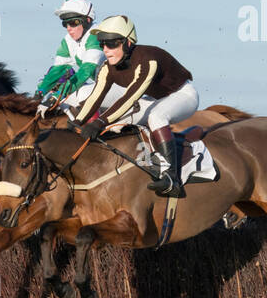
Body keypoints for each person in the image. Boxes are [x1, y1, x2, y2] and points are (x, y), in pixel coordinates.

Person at [69, 15, 199, 198]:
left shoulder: (147, 61)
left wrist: (99, 122)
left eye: (112, 44)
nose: (106, 50)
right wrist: (77, 121)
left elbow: (131, 98)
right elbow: (95, 96)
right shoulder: (107, 68)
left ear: (128, 43)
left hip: (183, 95)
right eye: (102, 44)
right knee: (121, 124)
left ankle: (171, 178)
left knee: (156, 117)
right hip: (155, 99)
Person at [35, 0, 103, 115]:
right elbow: (57, 70)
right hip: (101, 87)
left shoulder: (96, 35)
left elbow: (85, 72)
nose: (69, 28)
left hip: (121, 88)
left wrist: (56, 96)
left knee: (80, 93)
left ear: (87, 20)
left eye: (73, 22)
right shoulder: (68, 41)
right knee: (56, 93)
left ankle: (93, 131)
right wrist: (40, 92)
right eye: (65, 24)